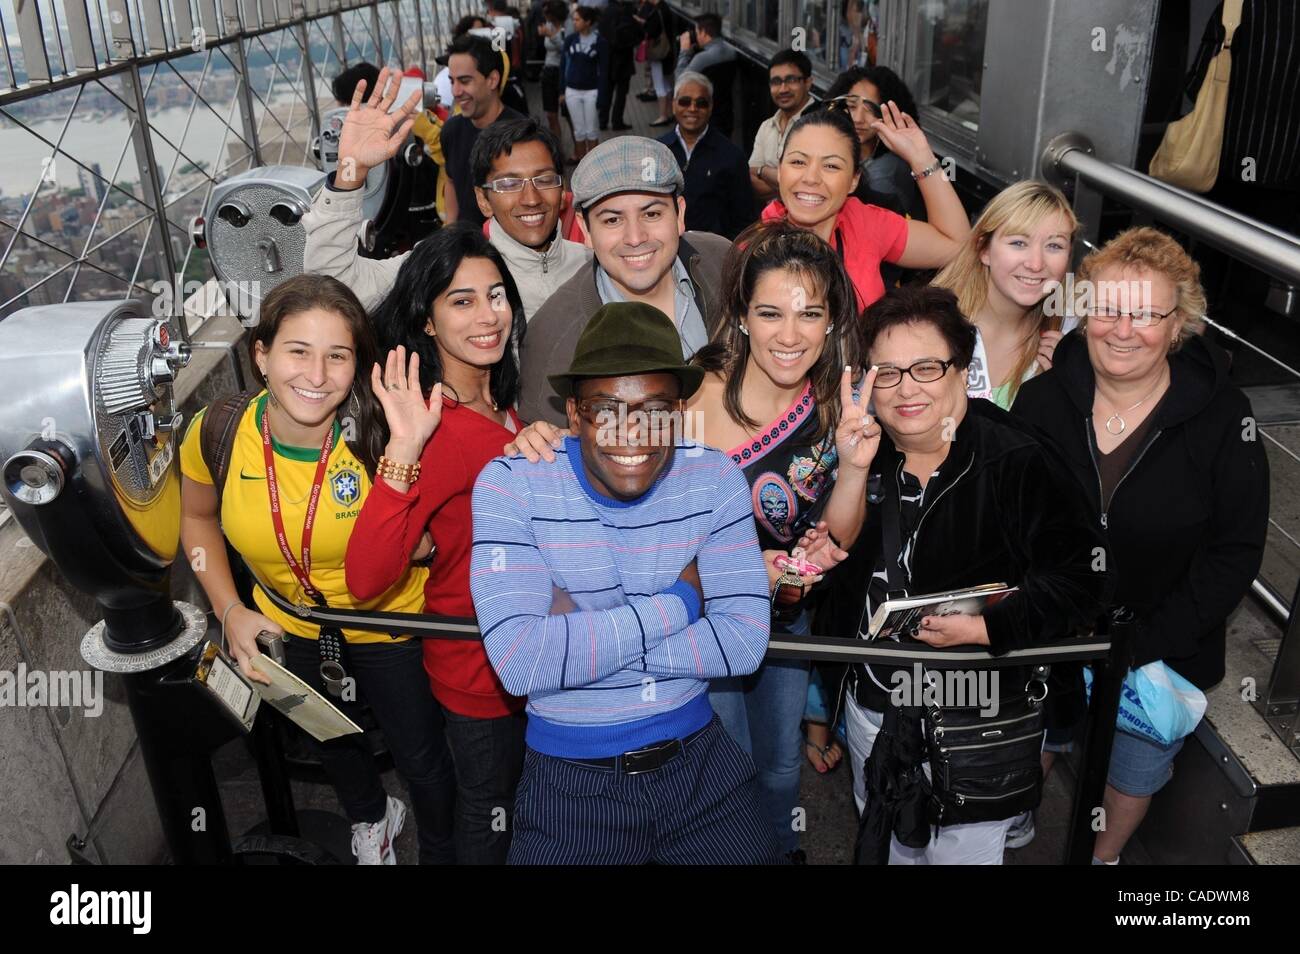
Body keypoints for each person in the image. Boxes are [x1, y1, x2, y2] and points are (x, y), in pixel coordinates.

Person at [469, 302, 780, 864]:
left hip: (703, 772)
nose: (631, 432)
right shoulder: (513, 485)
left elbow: (741, 644)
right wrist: (681, 602)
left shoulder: (714, 479)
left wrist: (580, 638)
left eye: (654, 410)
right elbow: (520, 664)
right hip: (568, 788)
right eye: (605, 409)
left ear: (679, 411)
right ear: (573, 413)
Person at [815, 284, 1107, 864]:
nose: (907, 389)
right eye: (888, 373)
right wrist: (851, 470)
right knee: (888, 842)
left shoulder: (1016, 458)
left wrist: (987, 628)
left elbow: (1087, 581)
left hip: (973, 721)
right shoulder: (866, 448)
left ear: (961, 368)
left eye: (926, 367)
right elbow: (837, 549)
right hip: (875, 702)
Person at [1012, 227, 1269, 865]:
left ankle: (1104, 857)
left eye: (1145, 314)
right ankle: (1012, 823)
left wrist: (1144, 643)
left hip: (1162, 644)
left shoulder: (1223, 419)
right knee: (1034, 735)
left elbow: (1234, 553)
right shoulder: (1042, 400)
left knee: (1133, 765)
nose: (1122, 330)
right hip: (1055, 630)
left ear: (1179, 323)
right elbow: (1009, 512)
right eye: (1106, 308)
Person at [178, 274, 456, 865]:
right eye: (297, 352)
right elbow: (197, 520)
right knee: (331, 736)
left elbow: (442, 532)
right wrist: (230, 610)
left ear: (358, 365)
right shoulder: (218, 433)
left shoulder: (385, 432)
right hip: (294, 623)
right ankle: (371, 821)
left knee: (420, 754)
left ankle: (440, 845)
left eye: (338, 356)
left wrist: (420, 541)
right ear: (261, 354)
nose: (316, 375)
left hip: (392, 625)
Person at [691, 221, 877, 862]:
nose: (790, 334)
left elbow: (843, 535)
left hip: (791, 619)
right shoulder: (693, 396)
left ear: (830, 322)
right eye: (770, 312)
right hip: (708, 620)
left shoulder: (836, 401)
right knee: (726, 767)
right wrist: (744, 567)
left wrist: (852, 467)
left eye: (809, 314)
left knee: (776, 767)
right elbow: (654, 537)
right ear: (741, 317)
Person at [346, 228, 528, 864]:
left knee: (511, 810)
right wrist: (403, 450)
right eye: (462, 301)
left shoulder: (503, 398)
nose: (488, 315)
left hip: (526, 656)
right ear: (426, 319)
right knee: (489, 817)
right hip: (480, 670)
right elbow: (366, 576)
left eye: (497, 295)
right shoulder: (434, 428)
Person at [305, 85, 590, 318]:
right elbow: (334, 286)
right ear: (483, 200)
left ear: (562, 190)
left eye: (544, 180)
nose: (531, 199)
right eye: (509, 184)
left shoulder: (594, 266)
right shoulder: (444, 265)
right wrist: (350, 172)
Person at [518, 136, 732, 424]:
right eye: (612, 220)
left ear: (680, 213)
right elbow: (548, 455)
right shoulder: (553, 337)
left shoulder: (722, 264)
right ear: (585, 229)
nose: (635, 238)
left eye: (652, 213)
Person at [762, 106, 970, 312]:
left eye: (831, 166)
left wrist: (923, 159)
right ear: (780, 171)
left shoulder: (864, 223)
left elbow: (957, 245)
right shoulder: (755, 250)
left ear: (854, 180)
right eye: (798, 162)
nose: (811, 178)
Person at [933, 180, 1079, 409]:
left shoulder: (1072, 340)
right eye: (1019, 243)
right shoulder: (929, 324)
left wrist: (1061, 390)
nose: (1035, 264)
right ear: (984, 250)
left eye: (1054, 246)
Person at [441, 33, 526, 227]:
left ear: (492, 80)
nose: (455, 91)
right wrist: (450, 228)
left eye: (464, 81)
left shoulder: (521, 135)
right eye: (452, 81)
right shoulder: (451, 130)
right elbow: (452, 181)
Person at [657, 72, 754, 240]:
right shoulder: (657, 151)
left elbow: (744, 219)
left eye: (701, 103)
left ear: (711, 107)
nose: (692, 109)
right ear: (673, 105)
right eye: (685, 101)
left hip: (713, 255)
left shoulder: (732, 156)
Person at [824, 65, 925, 220]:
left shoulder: (883, 173)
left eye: (871, 110)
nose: (858, 119)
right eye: (851, 106)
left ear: (891, 114)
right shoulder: (847, 151)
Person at [750, 49, 818, 204]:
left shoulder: (821, 124)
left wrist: (762, 171)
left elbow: (805, 183)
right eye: (776, 82)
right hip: (771, 221)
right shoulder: (766, 126)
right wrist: (786, 181)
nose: (783, 89)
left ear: (808, 83)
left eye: (791, 80)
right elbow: (752, 181)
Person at [560, 6, 609, 162]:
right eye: (573, 19)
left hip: (591, 92)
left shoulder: (600, 42)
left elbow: (604, 71)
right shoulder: (569, 40)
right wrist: (562, 90)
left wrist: (602, 95)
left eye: (577, 19)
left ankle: (594, 165)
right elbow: (563, 66)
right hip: (572, 91)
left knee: (592, 131)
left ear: (587, 22)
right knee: (579, 131)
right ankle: (582, 165)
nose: (574, 22)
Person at [677, 13, 737, 135]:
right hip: (726, 113)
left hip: (705, 117)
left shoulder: (702, 59)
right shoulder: (731, 52)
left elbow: (680, 81)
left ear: (703, 32)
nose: (696, 36)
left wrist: (684, 51)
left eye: (697, 32)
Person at [598, 0, 642, 131]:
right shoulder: (628, 14)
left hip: (608, 59)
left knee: (607, 91)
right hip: (623, 60)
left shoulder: (606, 12)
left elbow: (601, 33)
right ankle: (617, 122)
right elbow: (638, 35)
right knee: (621, 94)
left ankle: (602, 121)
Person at [634, 0, 674, 125]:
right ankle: (670, 113)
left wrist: (640, 23)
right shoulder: (665, 8)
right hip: (667, 51)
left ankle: (663, 116)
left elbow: (651, 31)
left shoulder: (658, 11)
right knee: (666, 83)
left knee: (659, 85)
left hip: (658, 53)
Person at [537, 1, 569, 145]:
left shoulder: (568, 27)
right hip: (549, 70)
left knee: (568, 114)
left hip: (564, 71)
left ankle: (579, 150)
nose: (544, 16)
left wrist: (552, 36)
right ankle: (557, 147)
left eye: (547, 13)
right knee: (550, 114)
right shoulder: (548, 25)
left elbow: (567, 50)